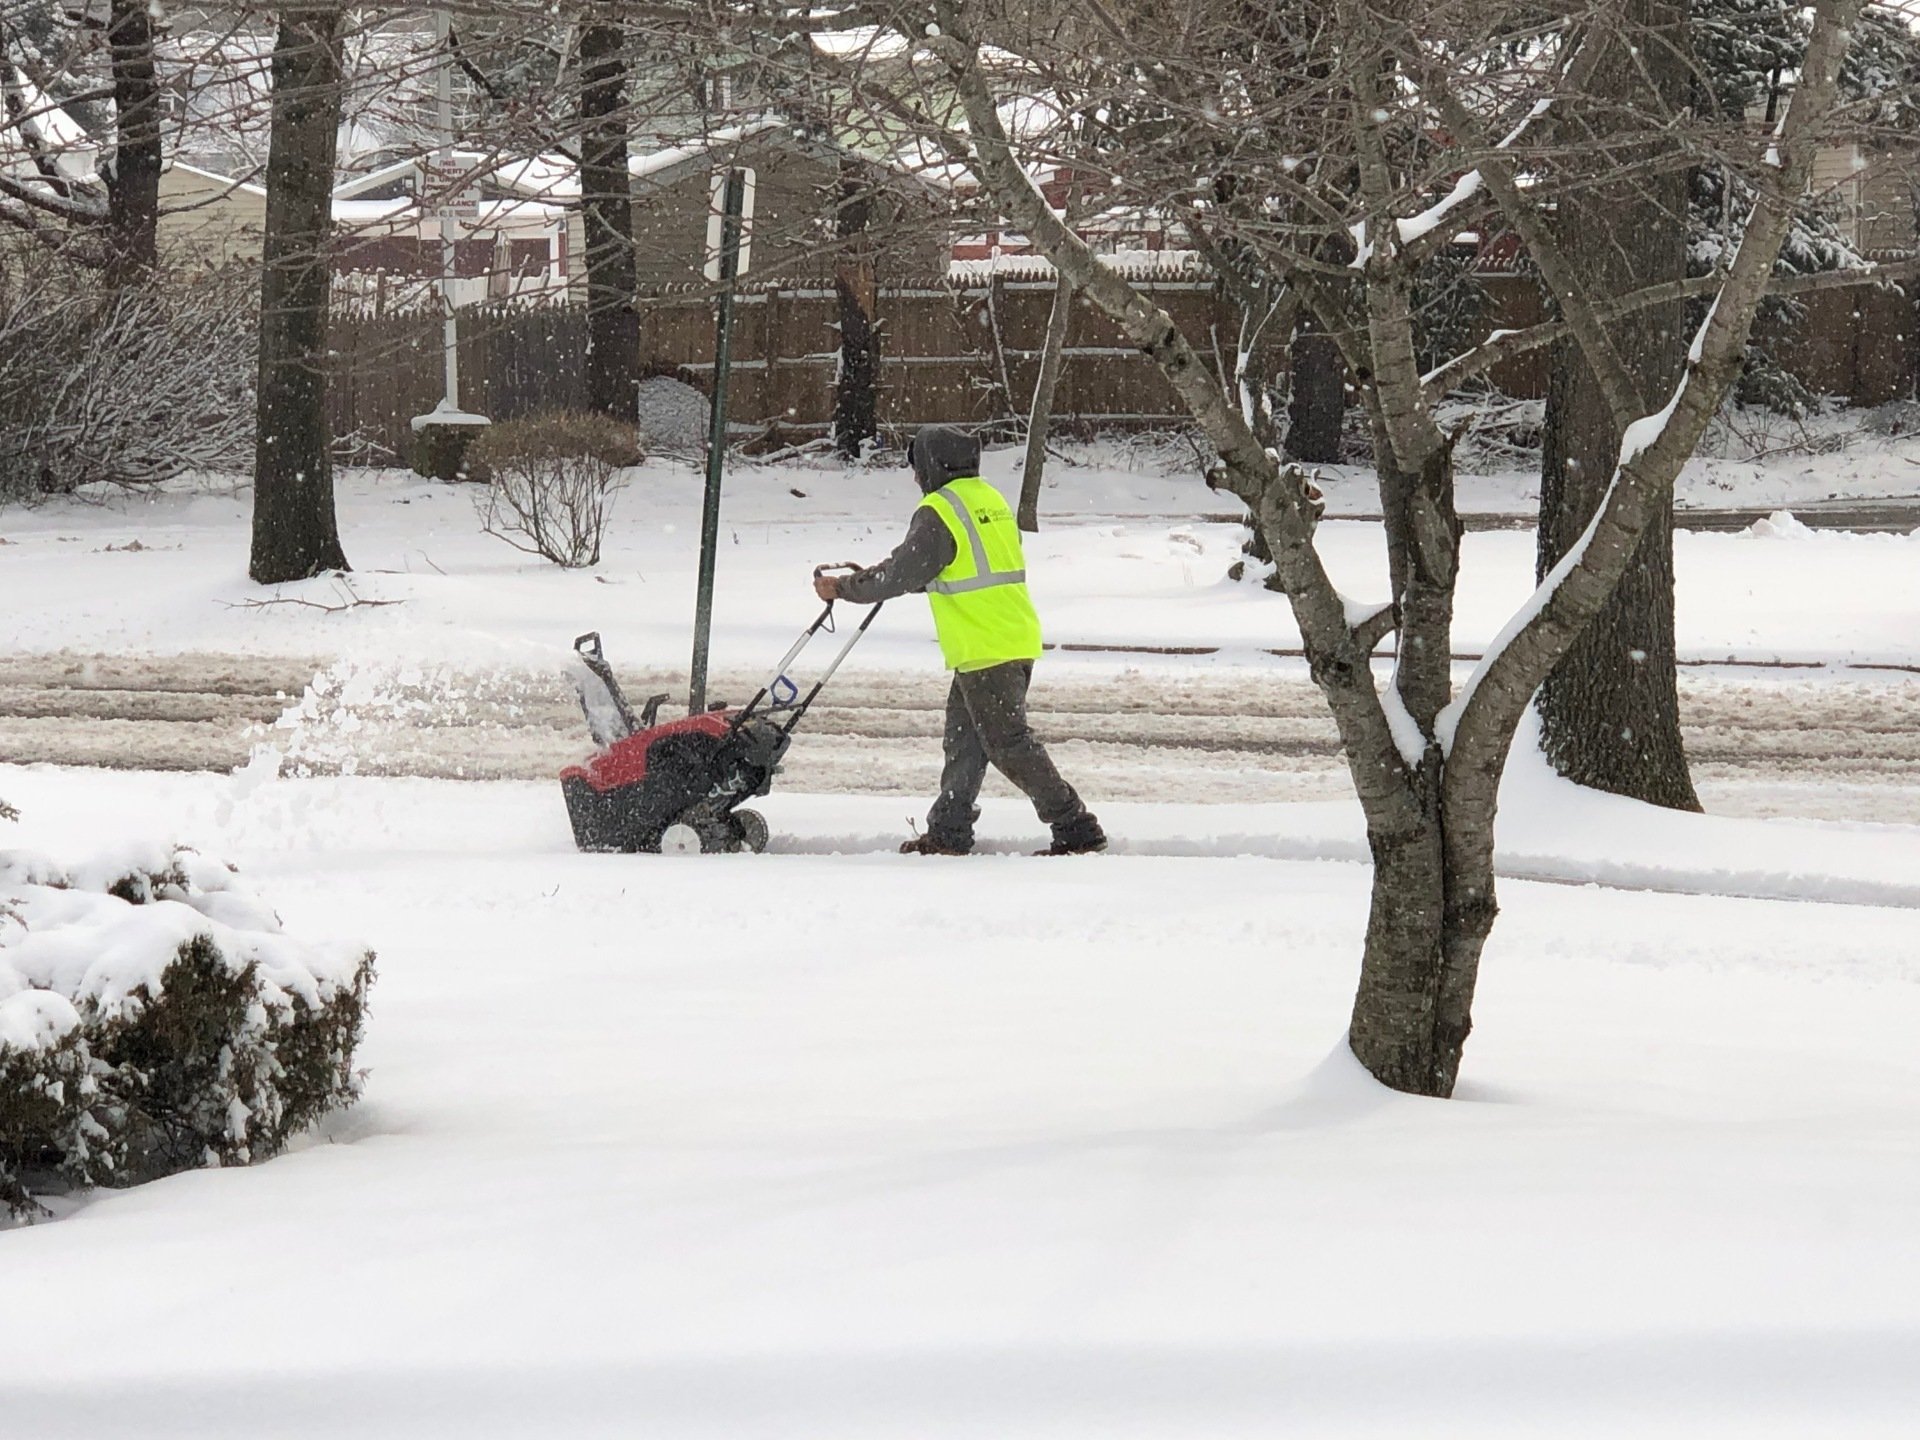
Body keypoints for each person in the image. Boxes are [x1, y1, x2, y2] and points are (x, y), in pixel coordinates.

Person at [815, 425, 1107, 857]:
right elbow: (952, 567)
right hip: (1006, 637)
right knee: (965, 742)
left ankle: (1076, 826)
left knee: (1008, 744)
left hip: (986, 645)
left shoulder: (941, 509)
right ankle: (949, 831)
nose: (915, 478)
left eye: (916, 468)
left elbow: (903, 571)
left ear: (931, 464)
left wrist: (843, 588)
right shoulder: (988, 500)